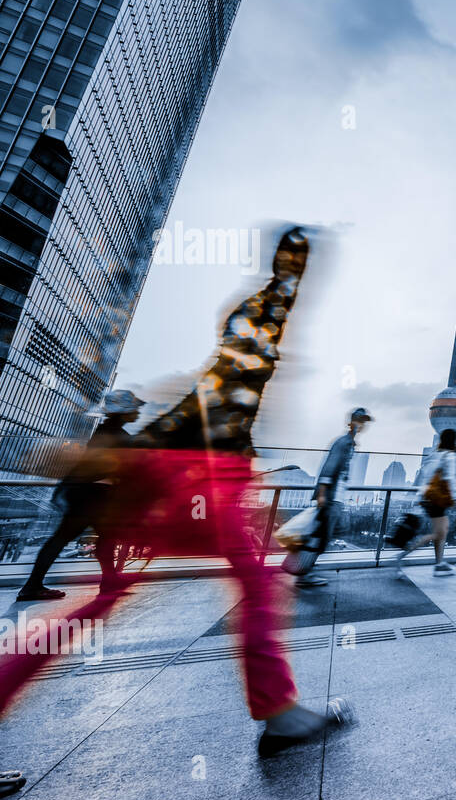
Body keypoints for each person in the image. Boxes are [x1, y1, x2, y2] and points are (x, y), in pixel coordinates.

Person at [0, 227, 351, 757]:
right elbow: (223, 380)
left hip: (185, 478)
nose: (270, 347)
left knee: (105, 601)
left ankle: (280, 711)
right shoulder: (244, 357)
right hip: (208, 482)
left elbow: (186, 409)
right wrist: (289, 274)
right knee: (255, 587)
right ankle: (279, 713)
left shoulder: (227, 361)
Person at [15, 390, 145, 601]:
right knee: (73, 537)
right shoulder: (114, 435)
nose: (138, 412)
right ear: (124, 412)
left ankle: (108, 580)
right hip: (92, 495)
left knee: (99, 537)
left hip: (87, 493)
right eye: (134, 408)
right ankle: (34, 585)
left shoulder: (108, 432)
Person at [292, 407, 372, 587]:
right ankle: (303, 573)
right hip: (330, 497)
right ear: (351, 422)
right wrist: (322, 495)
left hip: (336, 497)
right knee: (321, 536)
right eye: (359, 421)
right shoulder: (344, 443)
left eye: (364, 422)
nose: (362, 425)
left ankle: (304, 570)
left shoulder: (350, 444)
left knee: (325, 534)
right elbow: (329, 468)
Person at [396, 428, 456, 577]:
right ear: (453, 442)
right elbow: (449, 479)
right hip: (438, 500)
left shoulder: (433, 455)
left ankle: (439, 564)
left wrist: (421, 497)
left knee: (442, 531)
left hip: (428, 497)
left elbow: (425, 478)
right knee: (438, 534)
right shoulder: (450, 456)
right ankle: (402, 556)